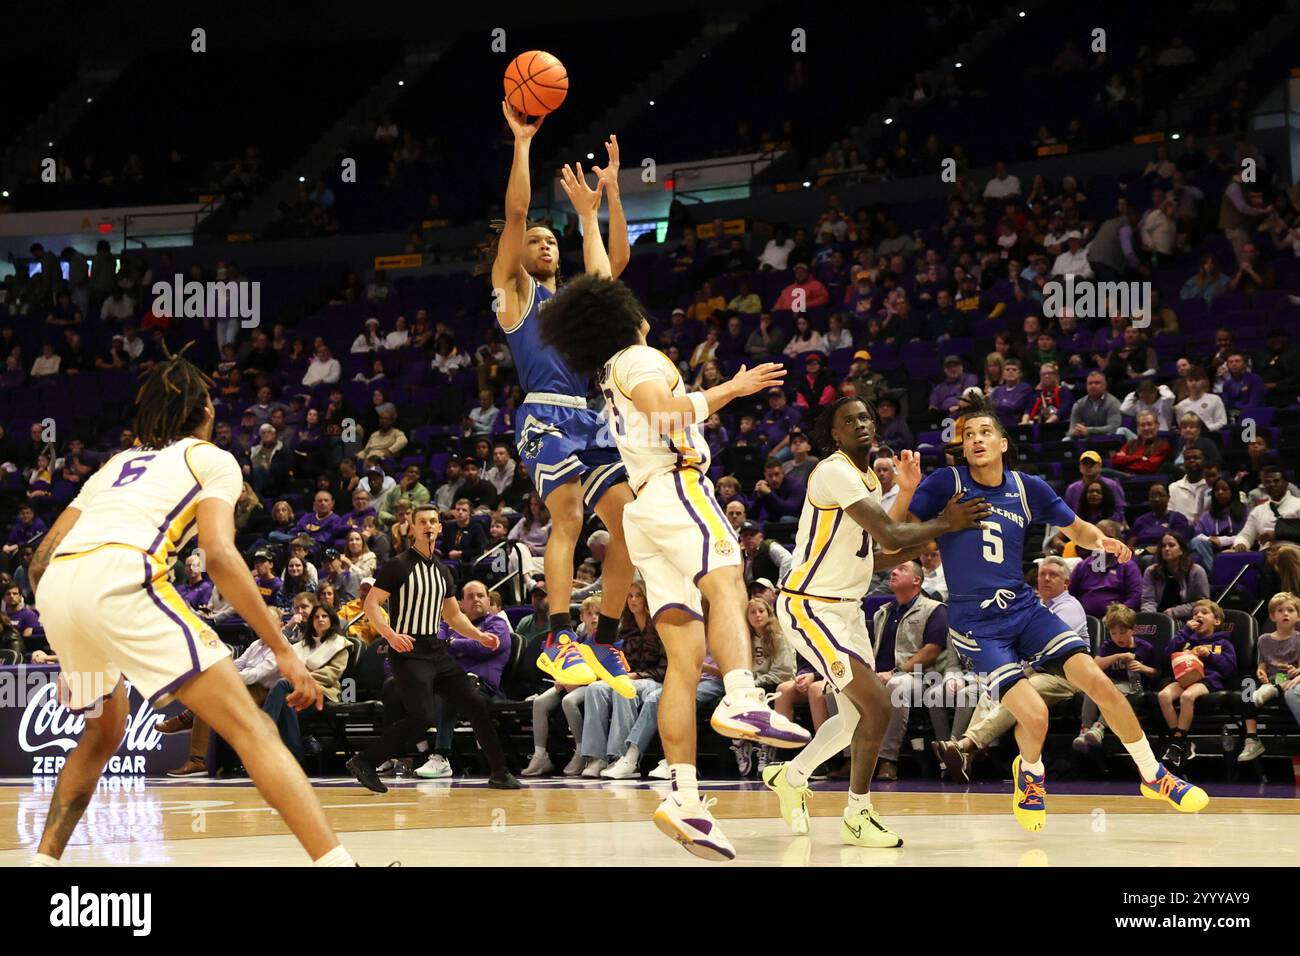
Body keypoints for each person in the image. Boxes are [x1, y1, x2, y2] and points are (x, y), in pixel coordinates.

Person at [29, 347, 354, 867]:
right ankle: (339, 865)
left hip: (59, 589)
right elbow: (220, 555)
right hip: (122, 577)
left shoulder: (116, 464)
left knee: (103, 733)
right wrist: (284, 652)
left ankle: (40, 863)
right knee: (252, 727)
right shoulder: (211, 458)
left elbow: (40, 560)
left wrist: (71, 641)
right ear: (204, 411)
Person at [538, 271, 812, 861]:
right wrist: (731, 390)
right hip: (677, 487)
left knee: (683, 662)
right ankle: (741, 694)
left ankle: (684, 797)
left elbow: (596, 280)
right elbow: (666, 417)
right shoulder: (640, 357)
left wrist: (593, 216)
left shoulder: (611, 367)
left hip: (643, 511)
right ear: (626, 317)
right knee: (728, 580)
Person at [905, 392, 1208, 828]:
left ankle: (1153, 774)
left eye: (985, 432)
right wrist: (921, 501)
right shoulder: (945, 483)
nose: (975, 440)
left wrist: (1100, 541)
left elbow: (1076, 527)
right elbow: (902, 535)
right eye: (967, 434)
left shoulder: (1028, 487)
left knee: (1099, 683)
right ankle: (1030, 773)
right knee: (1036, 714)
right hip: (976, 623)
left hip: (1024, 608)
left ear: (1004, 443)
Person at [762, 396, 990, 848]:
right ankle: (857, 812)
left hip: (846, 609)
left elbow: (884, 553)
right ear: (836, 433)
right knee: (879, 705)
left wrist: (937, 524)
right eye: (850, 420)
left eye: (866, 416)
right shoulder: (833, 471)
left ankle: (793, 775)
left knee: (853, 721)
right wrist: (945, 522)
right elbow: (890, 534)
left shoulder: (864, 477)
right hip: (811, 605)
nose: (862, 424)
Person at [492, 109, 636, 701]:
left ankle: (604, 636)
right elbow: (517, 214)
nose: (545, 244)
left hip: (591, 413)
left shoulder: (575, 301)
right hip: (544, 412)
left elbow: (612, 268)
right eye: (537, 241)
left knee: (629, 521)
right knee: (570, 515)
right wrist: (523, 143)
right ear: (518, 254)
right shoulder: (513, 294)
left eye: (553, 241)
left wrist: (601, 204)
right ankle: (556, 635)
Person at [345, 504, 519, 792]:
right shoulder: (398, 565)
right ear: (413, 527)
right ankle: (365, 760)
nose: (428, 525)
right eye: (422, 521)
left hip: (437, 649)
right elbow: (371, 604)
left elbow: (453, 616)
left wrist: (478, 636)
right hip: (408, 649)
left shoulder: (442, 571)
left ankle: (499, 772)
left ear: (439, 527)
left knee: (475, 703)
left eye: (433, 521)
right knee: (423, 716)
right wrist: (389, 635)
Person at [1156, 600, 1236, 770]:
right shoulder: (1187, 640)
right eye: (1195, 613)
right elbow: (1166, 656)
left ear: (1216, 621)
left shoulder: (1223, 644)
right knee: (1163, 696)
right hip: (1184, 679)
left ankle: (1176, 742)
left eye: (1204, 612)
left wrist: (1209, 655)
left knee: (1187, 697)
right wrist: (1184, 633)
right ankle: (1181, 740)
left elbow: (1229, 669)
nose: (1198, 615)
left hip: (1208, 681)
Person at [1073, 603, 1160, 752]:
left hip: (1133, 685)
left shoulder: (1145, 647)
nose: (1118, 637)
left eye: (1122, 632)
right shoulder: (1109, 646)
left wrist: (1142, 668)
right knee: (1092, 689)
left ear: (1132, 630)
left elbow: (1157, 673)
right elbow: (1095, 664)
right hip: (1111, 683)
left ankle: (1099, 728)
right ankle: (1085, 730)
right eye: (1113, 633)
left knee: (1114, 692)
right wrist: (1118, 656)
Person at [1236, 591, 1300, 760]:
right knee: (1246, 683)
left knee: (1285, 682)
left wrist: (1297, 671)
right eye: (1280, 610)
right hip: (1268, 681)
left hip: (1288, 681)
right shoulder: (1264, 639)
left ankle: (1272, 690)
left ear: (1298, 617)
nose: (1285, 613)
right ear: (1272, 616)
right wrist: (1260, 671)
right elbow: (1262, 663)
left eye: (1290, 610)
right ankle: (1251, 739)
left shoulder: (1298, 639)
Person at [1141, 531, 1210, 621]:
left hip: (1188, 619)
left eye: (1171, 545)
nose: (1166, 549)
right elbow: (1148, 601)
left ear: (1181, 550)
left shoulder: (1196, 571)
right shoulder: (1151, 571)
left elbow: (1203, 603)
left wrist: (1176, 611)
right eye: (1163, 546)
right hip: (1158, 618)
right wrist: (1151, 619)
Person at [1190, 477, 1248, 572]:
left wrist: (1222, 541)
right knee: (1196, 542)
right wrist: (1210, 539)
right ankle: (1217, 573)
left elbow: (1247, 534)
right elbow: (1197, 535)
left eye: (1224, 489)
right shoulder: (1207, 516)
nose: (1220, 492)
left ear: (1232, 491)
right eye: (1217, 490)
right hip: (1211, 553)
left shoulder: (1244, 511)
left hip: (1237, 549)